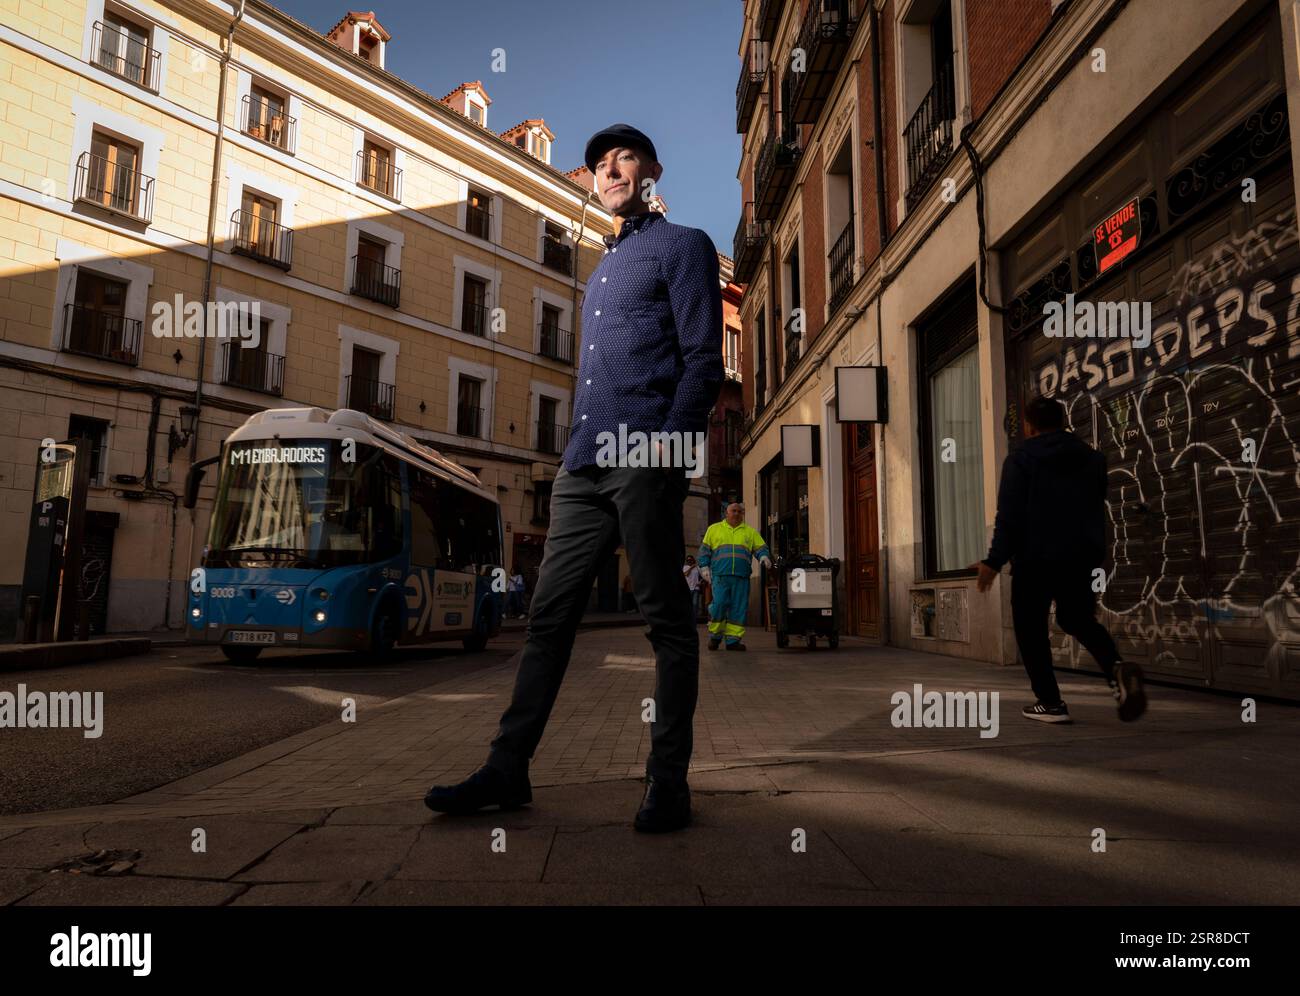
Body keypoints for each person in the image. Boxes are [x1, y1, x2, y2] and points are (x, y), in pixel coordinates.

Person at [424, 124, 723, 833]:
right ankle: (507, 769)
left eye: (625, 158)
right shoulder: (600, 272)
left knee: (666, 623)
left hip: (642, 455)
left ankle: (667, 782)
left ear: (652, 169)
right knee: (548, 618)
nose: (611, 169)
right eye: (599, 164)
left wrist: (666, 449)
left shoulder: (683, 246)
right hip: (582, 465)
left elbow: (703, 362)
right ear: (590, 183)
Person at [972, 395, 1146, 724]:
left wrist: (993, 562)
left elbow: (1009, 517)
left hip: (1035, 559)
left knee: (1030, 628)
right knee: (1078, 619)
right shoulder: (1092, 458)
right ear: (1062, 420)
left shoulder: (1021, 459)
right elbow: (1094, 507)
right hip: (1082, 556)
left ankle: (1050, 703)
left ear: (1029, 425)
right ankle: (1116, 668)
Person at [698, 502, 770, 651]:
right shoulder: (714, 529)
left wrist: (763, 556)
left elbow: (761, 548)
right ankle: (715, 636)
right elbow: (704, 550)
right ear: (727, 513)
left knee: (738, 608)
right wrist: (704, 566)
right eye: (733, 511)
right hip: (720, 576)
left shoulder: (750, 532)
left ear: (742, 514)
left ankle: (733, 640)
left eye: (739, 511)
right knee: (719, 605)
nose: (737, 513)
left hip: (741, 577)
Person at [682, 555, 701, 622]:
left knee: (695, 604)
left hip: (696, 588)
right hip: (687, 588)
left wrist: (700, 582)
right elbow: (686, 574)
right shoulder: (685, 567)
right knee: (687, 604)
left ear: (693, 560)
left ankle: (693, 619)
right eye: (688, 560)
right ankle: (687, 618)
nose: (690, 561)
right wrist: (691, 567)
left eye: (691, 560)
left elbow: (703, 576)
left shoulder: (697, 568)